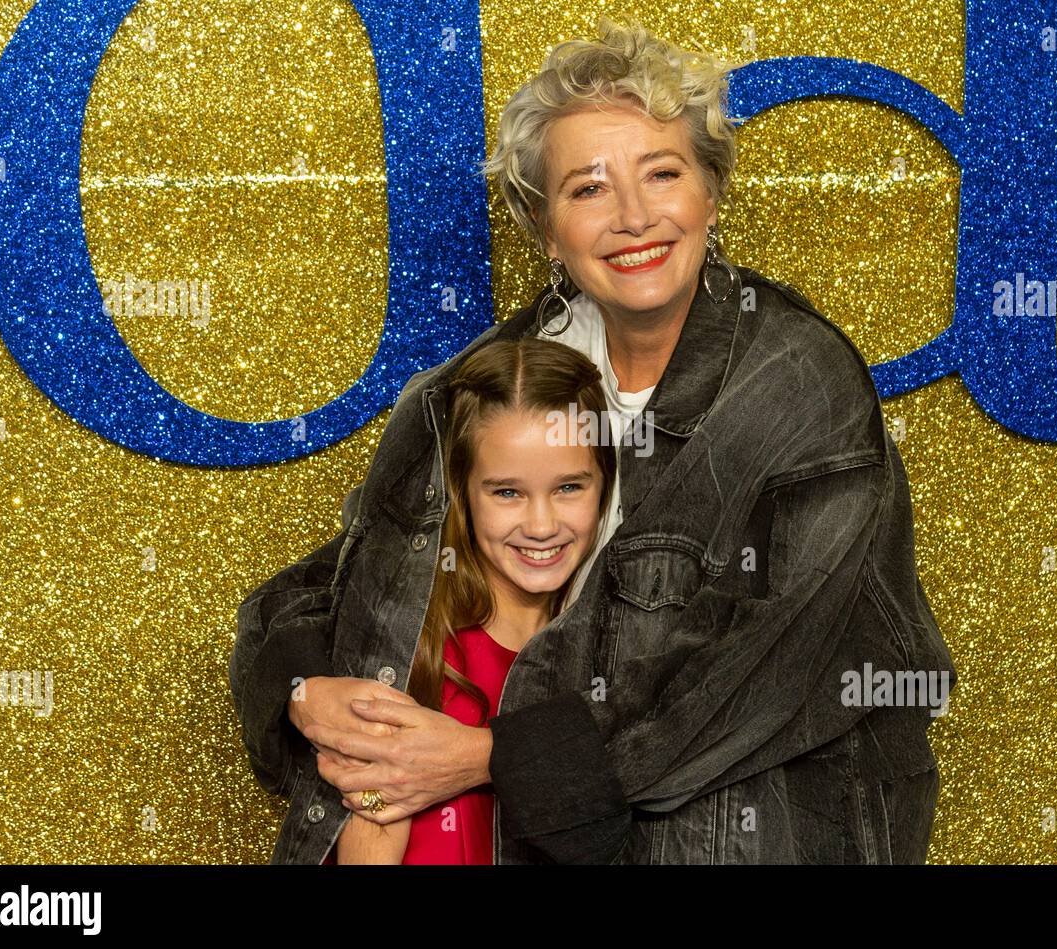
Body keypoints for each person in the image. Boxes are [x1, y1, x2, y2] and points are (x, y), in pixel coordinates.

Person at [229, 15, 958, 865]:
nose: (634, 216)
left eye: (662, 173)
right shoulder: (491, 382)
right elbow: (355, 576)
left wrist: (480, 756)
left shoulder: (799, 385)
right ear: (547, 228)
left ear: (711, 195)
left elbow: (749, 679)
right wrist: (303, 689)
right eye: (588, 188)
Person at [320, 337, 615, 863]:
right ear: (461, 491)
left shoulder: (608, 657)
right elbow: (371, 826)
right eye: (507, 492)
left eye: (570, 487)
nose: (542, 525)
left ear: (605, 485)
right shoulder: (417, 643)